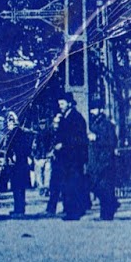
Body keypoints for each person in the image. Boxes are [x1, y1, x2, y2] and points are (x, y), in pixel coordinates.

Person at [49, 92, 89, 220]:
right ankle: (69, 209)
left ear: (70, 103)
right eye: (59, 103)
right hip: (65, 158)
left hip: (74, 158)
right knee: (66, 184)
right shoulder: (64, 118)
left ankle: (74, 212)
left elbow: (78, 138)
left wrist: (63, 144)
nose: (60, 106)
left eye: (62, 103)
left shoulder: (76, 118)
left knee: (73, 184)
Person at [89, 109, 119, 221]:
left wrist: (96, 138)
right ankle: (111, 205)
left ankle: (106, 214)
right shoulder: (97, 122)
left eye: (94, 109)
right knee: (99, 186)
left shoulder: (106, 124)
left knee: (105, 187)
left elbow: (111, 142)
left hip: (105, 160)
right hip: (98, 160)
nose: (92, 111)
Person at [4, 111, 34, 218]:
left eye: (10, 121)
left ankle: (19, 209)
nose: (8, 123)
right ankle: (19, 208)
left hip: (18, 163)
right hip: (20, 162)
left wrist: (13, 156)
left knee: (17, 186)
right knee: (18, 186)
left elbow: (14, 148)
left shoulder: (15, 133)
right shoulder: (19, 132)